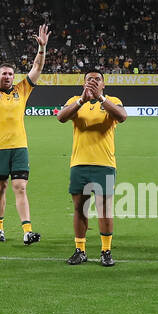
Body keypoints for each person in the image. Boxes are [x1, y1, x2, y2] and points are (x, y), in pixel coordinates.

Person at [0, 25, 48, 244]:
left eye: (11, 74)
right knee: (0, 186)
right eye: (4, 74)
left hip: (20, 147)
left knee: (20, 187)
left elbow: (37, 68)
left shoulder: (22, 89)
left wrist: (42, 48)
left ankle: (27, 230)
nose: (8, 77)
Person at [56, 70, 127, 266]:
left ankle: (106, 251)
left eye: (97, 79)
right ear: (83, 83)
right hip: (79, 163)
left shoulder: (112, 100)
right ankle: (80, 250)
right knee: (80, 209)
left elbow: (122, 116)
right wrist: (81, 101)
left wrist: (100, 98)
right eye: (89, 79)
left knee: (104, 210)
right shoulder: (75, 100)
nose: (93, 81)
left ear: (103, 84)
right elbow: (61, 117)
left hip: (105, 164)